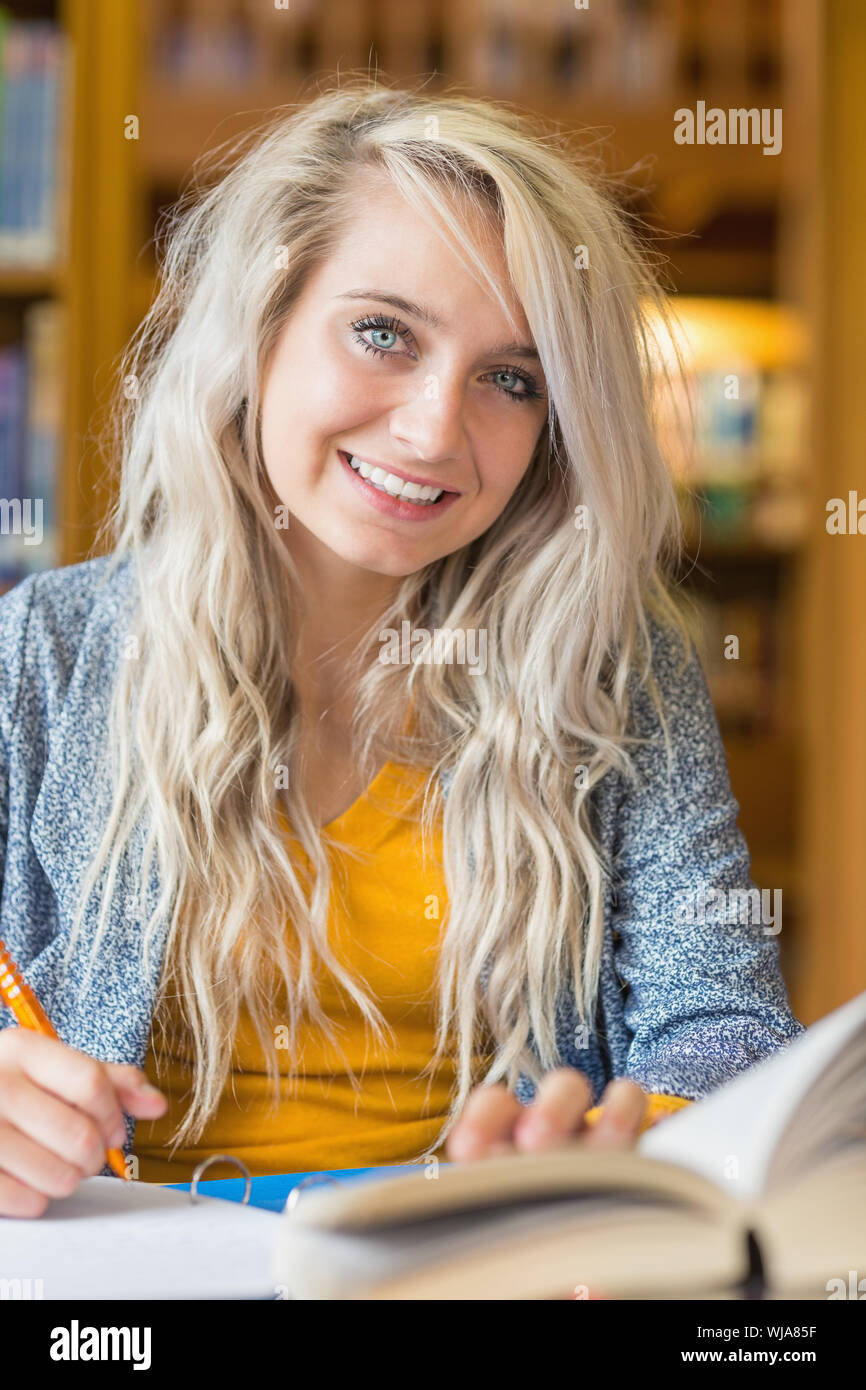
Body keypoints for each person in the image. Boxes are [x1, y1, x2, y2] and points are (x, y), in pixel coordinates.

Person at [0, 80, 803, 1216]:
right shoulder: (40, 652)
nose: (433, 428)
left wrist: (625, 1142)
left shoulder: (620, 673)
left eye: (509, 379)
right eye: (383, 333)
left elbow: (720, 1023)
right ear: (259, 327)